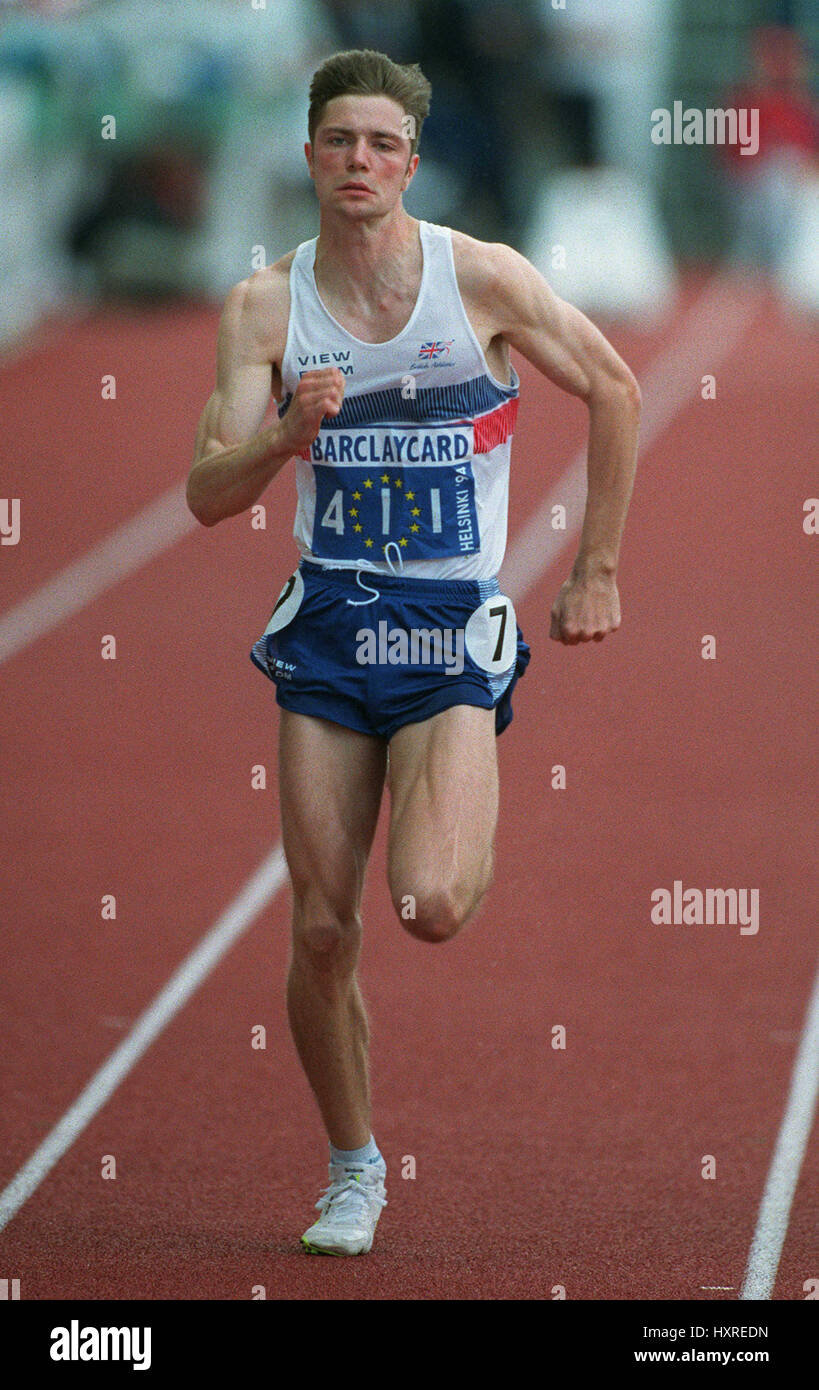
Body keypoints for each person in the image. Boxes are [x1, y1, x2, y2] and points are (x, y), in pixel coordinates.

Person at [186, 48, 640, 1256]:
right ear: (309, 156)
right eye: (340, 141)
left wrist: (594, 567)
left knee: (430, 903)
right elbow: (204, 493)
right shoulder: (265, 308)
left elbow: (615, 385)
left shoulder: (477, 278)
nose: (360, 163)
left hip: (446, 628)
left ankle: (459, 794)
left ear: (412, 163)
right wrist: (286, 433)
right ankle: (352, 1170)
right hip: (332, 627)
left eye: (383, 145)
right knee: (326, 930)